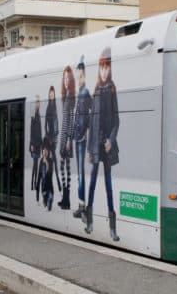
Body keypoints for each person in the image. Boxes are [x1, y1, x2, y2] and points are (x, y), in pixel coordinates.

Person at [84, 47, 121, 242]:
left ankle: (112, 229)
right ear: (99, 69)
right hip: (96, 145)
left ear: (110, 69)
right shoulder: (96, 90)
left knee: (108, 185)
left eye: (107, 68)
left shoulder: (112, 89)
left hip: (107, 145)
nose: (104, 72)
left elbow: (116, 120)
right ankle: (89, 222)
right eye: (102, 68)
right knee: (91, 184)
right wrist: (91, 149)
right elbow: (92, 121)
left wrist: (110, 140)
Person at [73, 56, 92, 219]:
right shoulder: (80, 92)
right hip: (77, 137)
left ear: (84, 76)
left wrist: (86, 132)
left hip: (80, 139)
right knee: (79, 173)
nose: (78, 80)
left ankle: (82, 206)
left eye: (80, 76)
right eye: (77, 77)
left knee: (80, 173)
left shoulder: (84, 93)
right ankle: (81, 204)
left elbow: (89, 114)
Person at [58, 66, 76, 210]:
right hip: (63, 136)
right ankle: (65, 198)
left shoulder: (71, 97)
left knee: (66, 168)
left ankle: (67, 199)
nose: (66, 80)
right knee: (63, 167)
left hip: (67, 137)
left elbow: (72, 119)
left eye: (68, 78)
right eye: (64, 78)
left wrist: (70, 139)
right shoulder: (65, 97)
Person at [29, 96, 42, 201]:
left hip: (38, 145)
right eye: (37, 103)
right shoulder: (34, 115)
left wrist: (41, 145)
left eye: (39, 103)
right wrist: (32, 144)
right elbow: (32, 130)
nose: (38, 104)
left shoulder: (38, 115)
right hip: (34, 145)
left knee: (36, 165)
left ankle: (34, 183)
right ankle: (33, 183)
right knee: (35, 165)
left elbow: (40, 132)